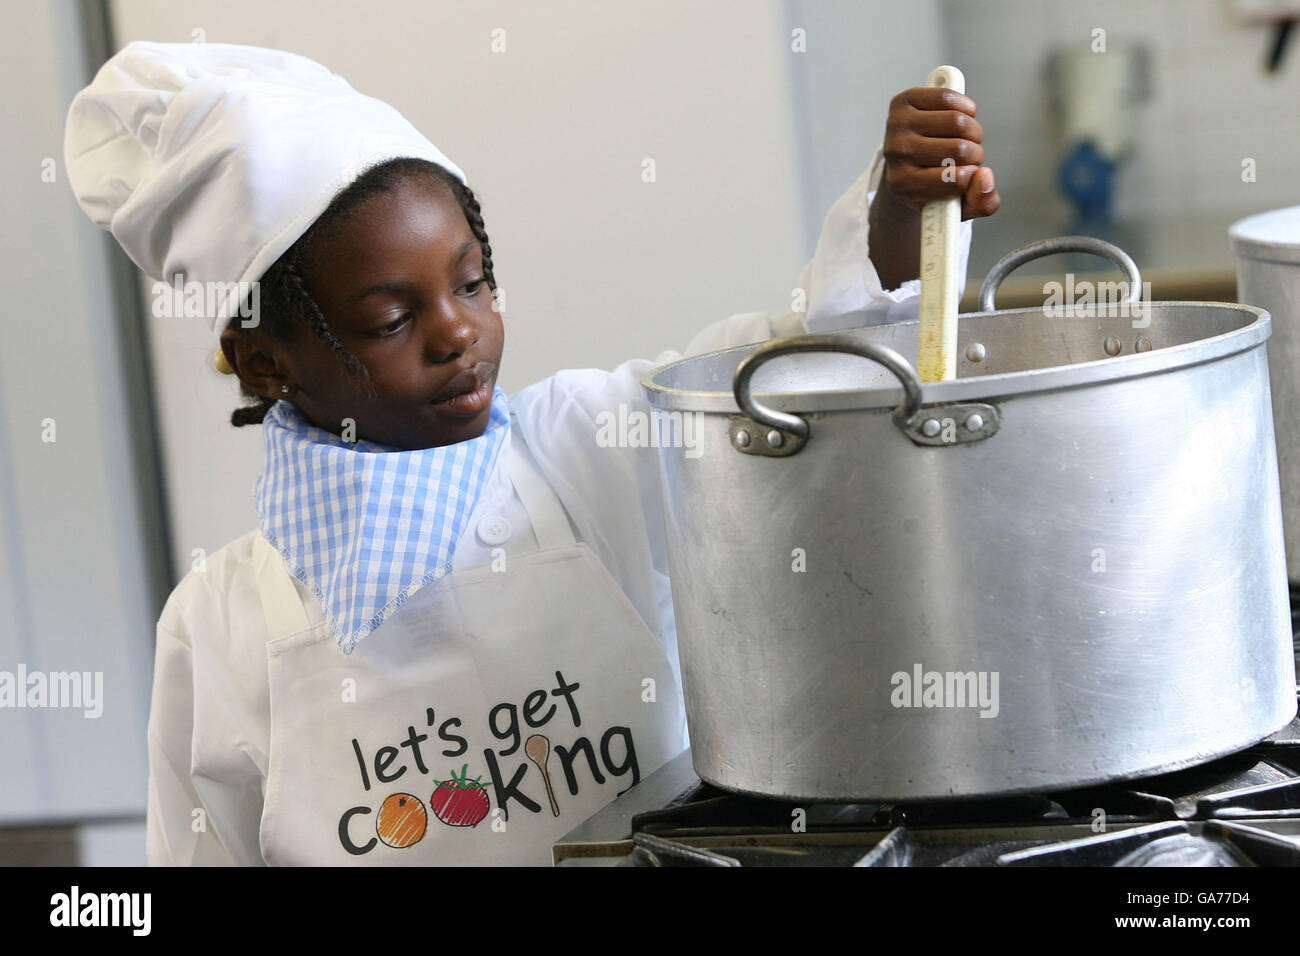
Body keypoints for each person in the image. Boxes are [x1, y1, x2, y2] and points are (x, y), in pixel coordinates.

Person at [64, 40, 999, 866]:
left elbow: (789, 378)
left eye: (473, 283)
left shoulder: (589, 449)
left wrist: (890, 240)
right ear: (270, 364)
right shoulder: (219, 626)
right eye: (392, 319)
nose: (456, 334)